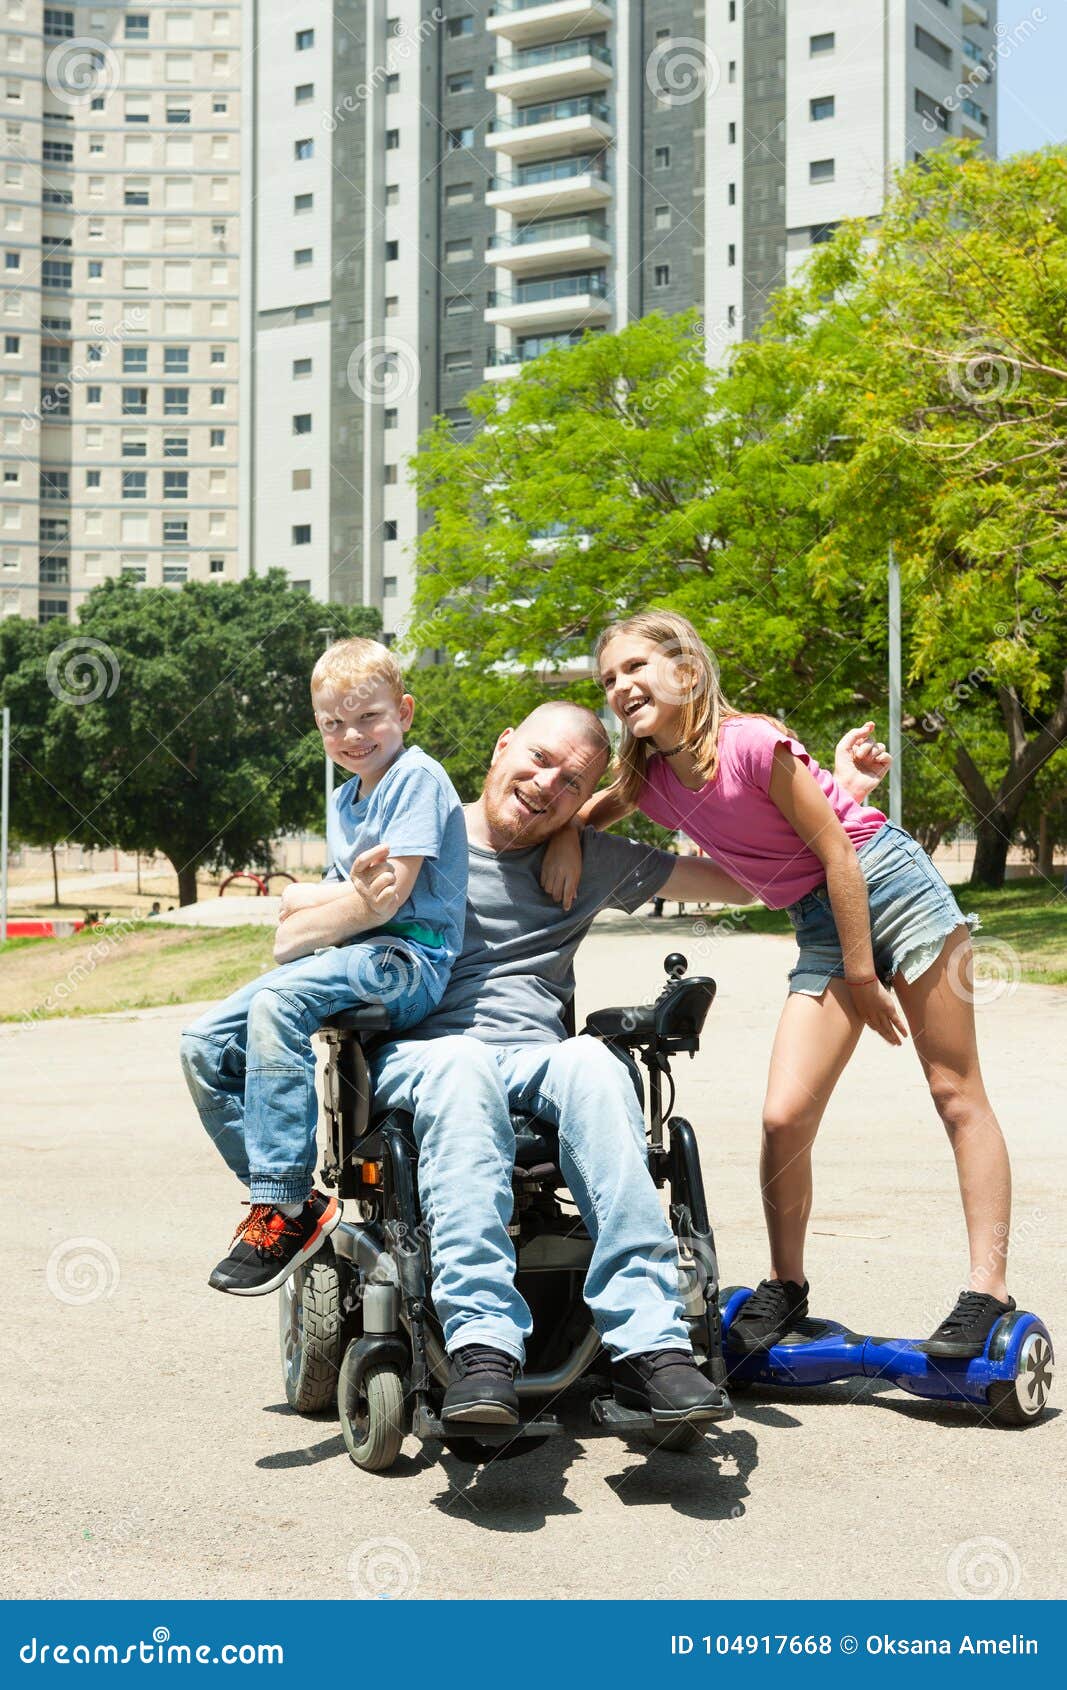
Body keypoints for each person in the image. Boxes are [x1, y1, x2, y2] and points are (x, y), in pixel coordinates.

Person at [365, 700, 883, 1431]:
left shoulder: (592, 859)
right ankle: (482, 1345)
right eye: (538, 759)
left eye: (573, 784)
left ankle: (651, 1345)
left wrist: (837, 797)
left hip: (536, 1059)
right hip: (428, 1057)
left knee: (597, 1063)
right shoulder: (419, 836)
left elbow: (746, 884)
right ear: (503, 743)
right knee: (462, 1063)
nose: (547, 785)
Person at [540, 610, 1015, 1360]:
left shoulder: (752, 743)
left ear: (685, 672)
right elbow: (582, 816)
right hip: (820, 920)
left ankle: (987, 1291)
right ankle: (785, 1286)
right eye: (607, 679)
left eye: (635, 667)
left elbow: (839, 852)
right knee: (782, 1117)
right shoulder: (648, 778)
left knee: (954, 1091)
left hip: (890, 885)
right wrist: (566, 835)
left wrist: (862, 974)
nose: (620, 686)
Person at [179, 639, 468, 1298]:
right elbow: (312, 924)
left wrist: (311, 904)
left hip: (407, 960)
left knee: (276, 1003)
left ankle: (279, 1204)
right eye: (334, 724)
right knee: (201, 1045)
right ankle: (296, 1203)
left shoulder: (417, 778)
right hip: (350, 955)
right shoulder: (343, 803)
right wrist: (318, 905)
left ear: (404, 712)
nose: (352, 736)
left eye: (368, 717)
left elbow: (385, 901)